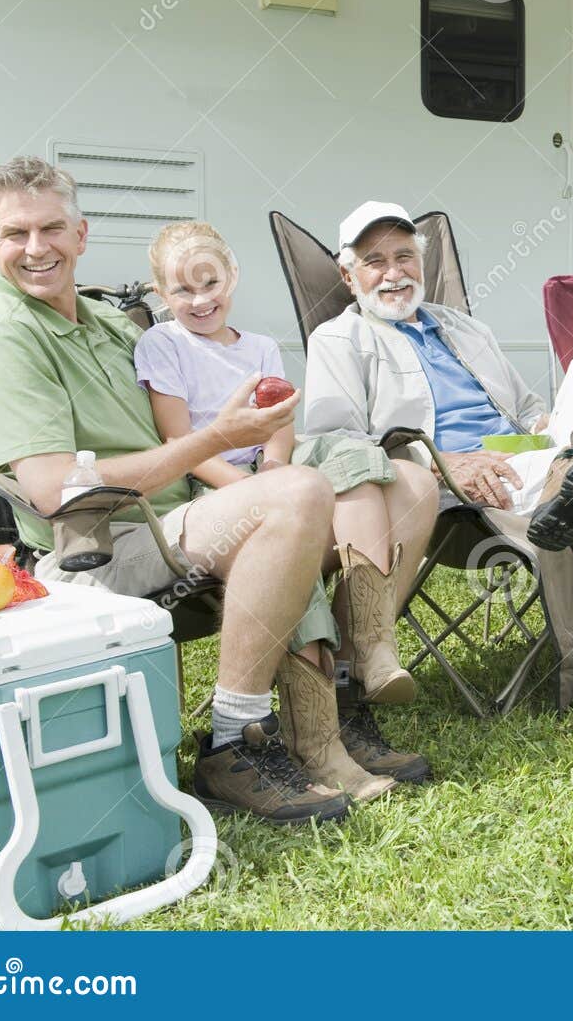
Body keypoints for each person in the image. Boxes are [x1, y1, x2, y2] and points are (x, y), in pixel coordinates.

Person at [0, 156, 357, 827]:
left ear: (81, 234)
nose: (36, 247)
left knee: (365, 471)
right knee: (293, 497)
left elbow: (185, 402)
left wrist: (246, 427)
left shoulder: (109, 321)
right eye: (15, 233)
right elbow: (54, 490)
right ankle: (235, 743)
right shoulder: (7, 337)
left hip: (183, 513)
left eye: (51, 228)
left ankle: (337, 720)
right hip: (101, 542)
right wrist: (215, 441)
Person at [302, 201, 573, 722]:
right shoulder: (339, 339)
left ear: (421, 263)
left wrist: (550, 429)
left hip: (529, 457)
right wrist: (442, 462)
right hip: (456, 484)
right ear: (348, 275)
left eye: (404, 257)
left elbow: (528, 409)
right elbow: (336, 441)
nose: (393, 272)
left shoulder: (466, 329)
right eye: (375, 261)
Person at [134, 221, 433, 800]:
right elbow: (182, 444)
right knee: (290, 528)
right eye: (182, 290)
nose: (200, 300)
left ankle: (371, 654)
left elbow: (280, 425)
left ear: (233, 277)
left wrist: (276, 470)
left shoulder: (260, 346)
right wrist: (263, 491)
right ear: (160, 292)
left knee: (360, 456)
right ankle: (319, 742)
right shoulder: (163, 344)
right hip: (214, 486)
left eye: (210, 283)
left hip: (271, 471)